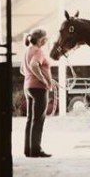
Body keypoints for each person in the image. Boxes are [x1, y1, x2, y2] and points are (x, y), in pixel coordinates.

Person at [21, 28, 57, 158]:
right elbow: (34, 65)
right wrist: (43, 80)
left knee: (30, 119)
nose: (47, 40)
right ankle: (36, 150)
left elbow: (22, 70)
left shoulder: (27, 51)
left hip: (28, 87)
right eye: (45, 38)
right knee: (38, 120)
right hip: (39, 88)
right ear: (41, 39)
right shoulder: (38, 51)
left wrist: (33, 77)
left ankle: (28, 150)